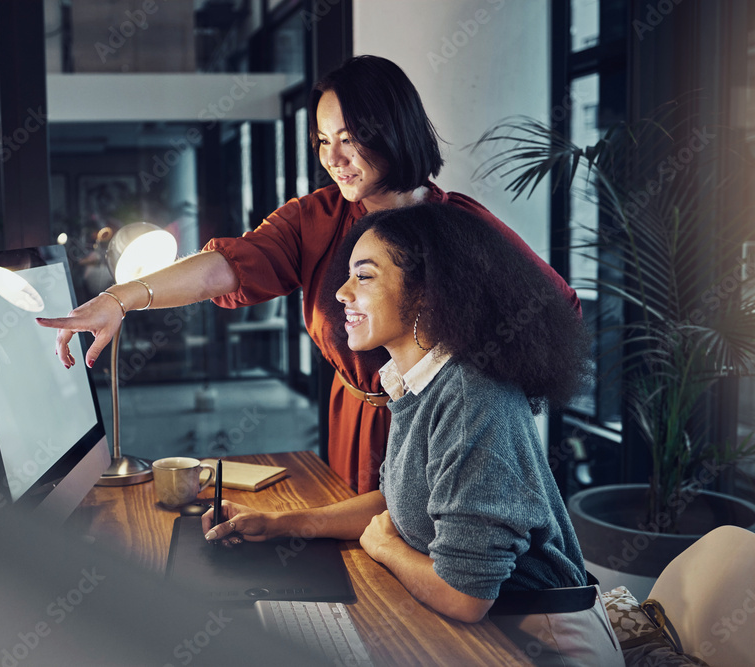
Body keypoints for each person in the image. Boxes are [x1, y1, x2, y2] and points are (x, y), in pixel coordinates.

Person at [36, 55, 580, 493]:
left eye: (350, 137)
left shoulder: (460, 225)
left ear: (392, 130)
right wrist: (121, 298)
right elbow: (222, 269)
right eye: (323, 140)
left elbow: (555, 309)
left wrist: (483, 397)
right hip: (353, 419)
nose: (334, 157)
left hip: (439, 430)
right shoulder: (314, 218)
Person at [202, 203, 622, 666]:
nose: (340, 293)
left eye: (363, 277)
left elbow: (466, 596)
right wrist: (283, 524)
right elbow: (400, 501)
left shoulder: (469, 397)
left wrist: (385, 547)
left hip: (543, 645)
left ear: (426, 294)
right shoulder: (418, 379)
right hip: (489, 633)